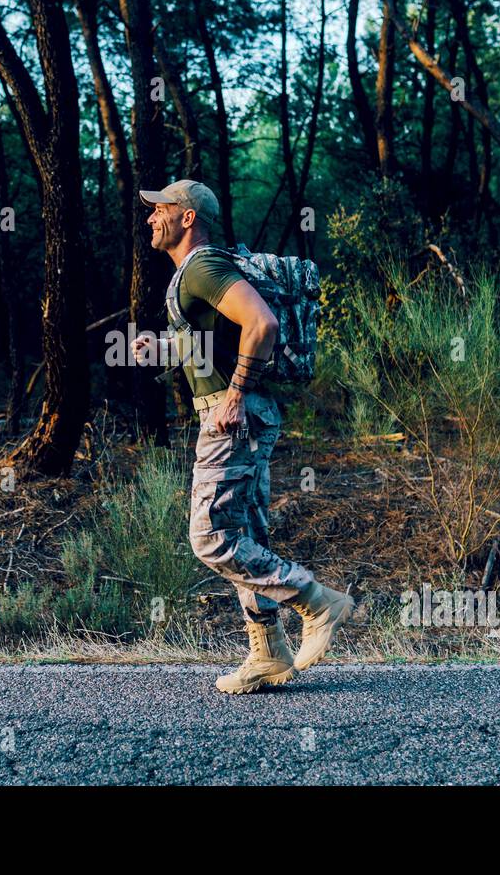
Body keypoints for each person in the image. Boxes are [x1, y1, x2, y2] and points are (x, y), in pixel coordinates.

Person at [131, 179, 354, 694]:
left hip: (233, 417)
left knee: (210, 537)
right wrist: (165, 347)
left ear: (187, 217)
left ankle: (316, 601)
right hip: (245, 414)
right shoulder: (190, 276)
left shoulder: (204, 266)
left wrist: (232, 395)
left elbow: (262, 323)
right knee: (245, 538)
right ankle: (268, 653)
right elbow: (217, 342)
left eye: (159, 209)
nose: (150, 219)